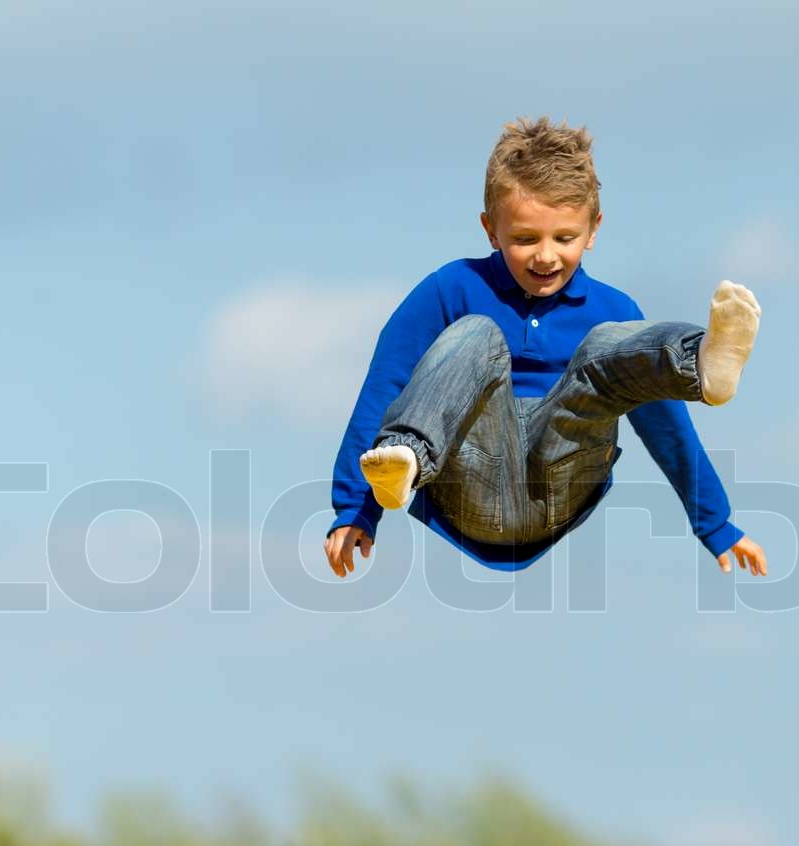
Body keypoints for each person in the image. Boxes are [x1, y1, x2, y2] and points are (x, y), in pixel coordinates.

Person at [325, 117, 768, 579]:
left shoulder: (611, 309)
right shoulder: (450, 289)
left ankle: (699, 364)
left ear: (593, 230)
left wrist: (714, 522)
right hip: (469, 479)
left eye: (564, 238)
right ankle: (408, 453)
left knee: (606, 343)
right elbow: (385, 386)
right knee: (475, 332)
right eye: (524, 239)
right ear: (491, 230)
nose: (545, 255)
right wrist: (358, 509)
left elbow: (665, 425)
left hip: (559, 481)